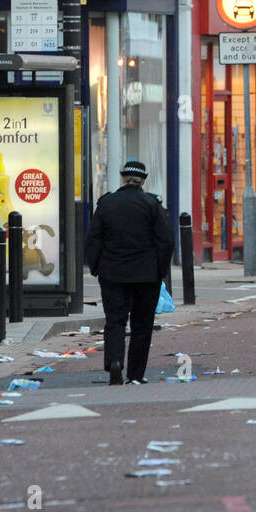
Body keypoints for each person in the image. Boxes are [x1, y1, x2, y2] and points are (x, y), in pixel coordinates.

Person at [84, 160, 174, 385]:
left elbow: (93, 239)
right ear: (143, 180)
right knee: (142, 324)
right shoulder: (152, 205)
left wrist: (96, 267)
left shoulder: (107, 204)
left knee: (115, 320)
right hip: (146, 275)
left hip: (113, 273)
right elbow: (166, 240)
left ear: (122, 178)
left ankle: (115, 362)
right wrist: (159, 270)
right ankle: (136, 373)